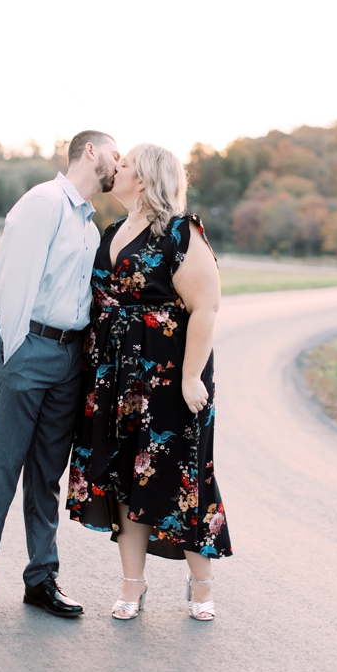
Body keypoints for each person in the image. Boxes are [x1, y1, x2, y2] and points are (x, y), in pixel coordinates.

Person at [0, 130, 119, 622]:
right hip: (26, 348)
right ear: (90, 151)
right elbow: (15, 286)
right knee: (3, 466)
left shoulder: (89, 226)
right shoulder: (43, 203)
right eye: (116, 154)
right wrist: (15, 356)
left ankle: (41, 579)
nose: (120, 164)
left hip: (69, 357)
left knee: (47, 475)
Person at [66, 143, 231, 621]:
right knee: (122, 477)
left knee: (182, 475)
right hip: (113, 377)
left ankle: (201, 585)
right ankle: (132, 585)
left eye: (124, 166)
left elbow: (206, 307)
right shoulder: (112, 231)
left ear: (143, 179)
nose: (114, 169)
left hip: (168, 377)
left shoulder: (180, 232)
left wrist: (191, 377)